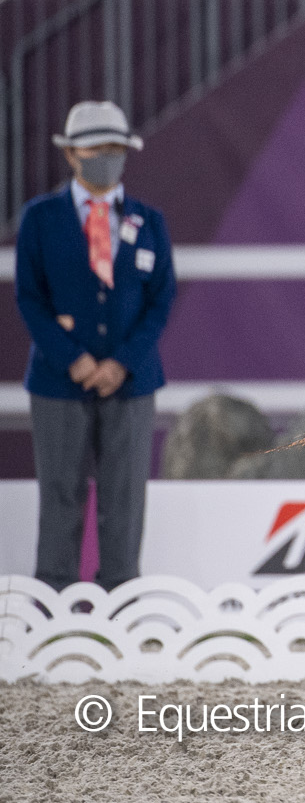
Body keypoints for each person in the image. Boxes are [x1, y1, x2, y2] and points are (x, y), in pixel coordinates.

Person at [16, 101, 176, 592]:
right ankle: (54, 597)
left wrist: (122, 362)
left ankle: (122, 596)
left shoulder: (149, 221)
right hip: (58, 381)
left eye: (115, 149)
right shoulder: (41, 219)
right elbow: (30, 297)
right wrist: (75, 359)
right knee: (60, 492)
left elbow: (161, 297)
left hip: (132, 382)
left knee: (124, 496)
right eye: (95, 149)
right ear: (71, 155)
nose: (105, 157)